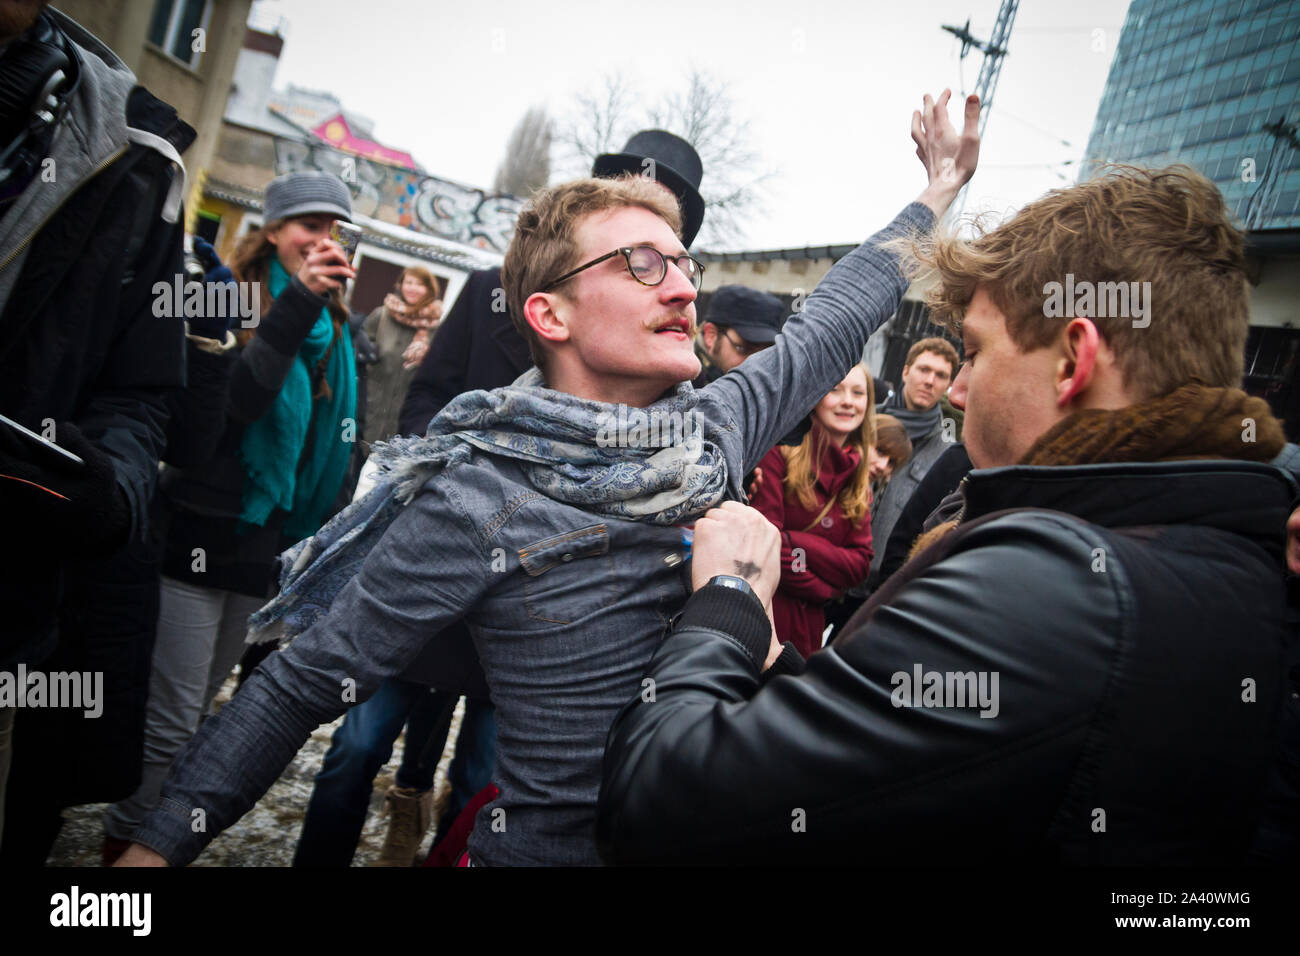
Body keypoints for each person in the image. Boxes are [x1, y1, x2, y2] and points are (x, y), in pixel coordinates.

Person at [117, 89, 981, 868]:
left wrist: (936, 194)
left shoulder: (713, 428)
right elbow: (301, 684)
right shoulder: (479, 495)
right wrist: (152, 856)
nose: (683, 290)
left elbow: (830, 322)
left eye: (684, 265)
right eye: (643, 264)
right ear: (549, 313)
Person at [595, 164, 1297, 866]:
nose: (957, 390)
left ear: (1072, 362)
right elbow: (939, 770)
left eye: (976, 352)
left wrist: (730, 603)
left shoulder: (1054, 587)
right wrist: (790, 680)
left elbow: (663, 804)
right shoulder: (1222, 553)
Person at [292, 130, 710, 868]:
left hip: (533, 621)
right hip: (437, 578)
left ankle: (426, 840)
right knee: (356, 745)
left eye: (672, 247)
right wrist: (466, 471)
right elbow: (425, 400)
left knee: (484, 781)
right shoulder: (492, 289)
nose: (664, 270)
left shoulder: (668, 374)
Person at [102, 171, 361, 854]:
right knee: (169, 721)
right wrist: (299, 301)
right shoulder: (227, 296)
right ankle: (125, 849)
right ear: (272, 230)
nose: (321, 240)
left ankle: (149, 844)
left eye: (334, 229)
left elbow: (331, 447)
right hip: (197, 531)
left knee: (200, 717)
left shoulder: (332, 326)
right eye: (308, 224)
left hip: (263, 548)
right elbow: (232, 408)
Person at [0, 3, 191, 845]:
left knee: (179, 720)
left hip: (19, 606)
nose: (327, 245)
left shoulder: (140, 161)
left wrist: (109, 487)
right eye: (308, 227)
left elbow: (157, 399)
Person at [749, 364, 877, 658]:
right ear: (816, 396)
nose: (848, 401)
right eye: (835, 389)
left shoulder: (858, 475)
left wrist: (797, 541)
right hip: (767, 615)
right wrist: (823, 590)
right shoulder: (777, 453)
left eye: (858, 393)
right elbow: (767, 543)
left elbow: (860, 563)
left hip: (809, 629)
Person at [863, 337, 959, 584]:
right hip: (836, 573)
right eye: (924, 369)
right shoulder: (864, 425)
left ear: (948, 384)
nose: (929, 381)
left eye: (940, 375)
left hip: (886, 584)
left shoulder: (946, 452)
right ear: (906, 371)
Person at [362, 267, 443, 445]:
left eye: (419, 284)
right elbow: (359, 354)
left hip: (406, 419)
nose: (413, 288)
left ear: (430, 289)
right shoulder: (381, 315)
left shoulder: (437, 328)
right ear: (400, 285)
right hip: (369, 409)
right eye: (409, 282)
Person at [692, 284, 787, 387]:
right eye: (743, 349)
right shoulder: (683, 381)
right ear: (711, 335)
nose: (756, 364)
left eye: (765, 354)